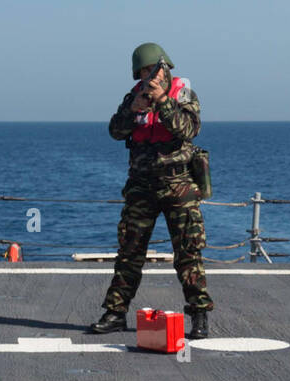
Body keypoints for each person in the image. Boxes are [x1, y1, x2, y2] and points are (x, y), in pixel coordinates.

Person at [91, 42, 212, 338]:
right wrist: (133, 111)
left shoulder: (184, 95)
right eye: (144, 72)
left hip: (178, 184)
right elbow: (115, 131)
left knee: (188, 252)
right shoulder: (133, 97)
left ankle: (199, 314)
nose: (150, 76)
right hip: (141, 186)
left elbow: (188, 129)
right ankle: (115, 312)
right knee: (130, 251)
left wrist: (163, 102)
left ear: (166, 68)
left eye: (154, 70)